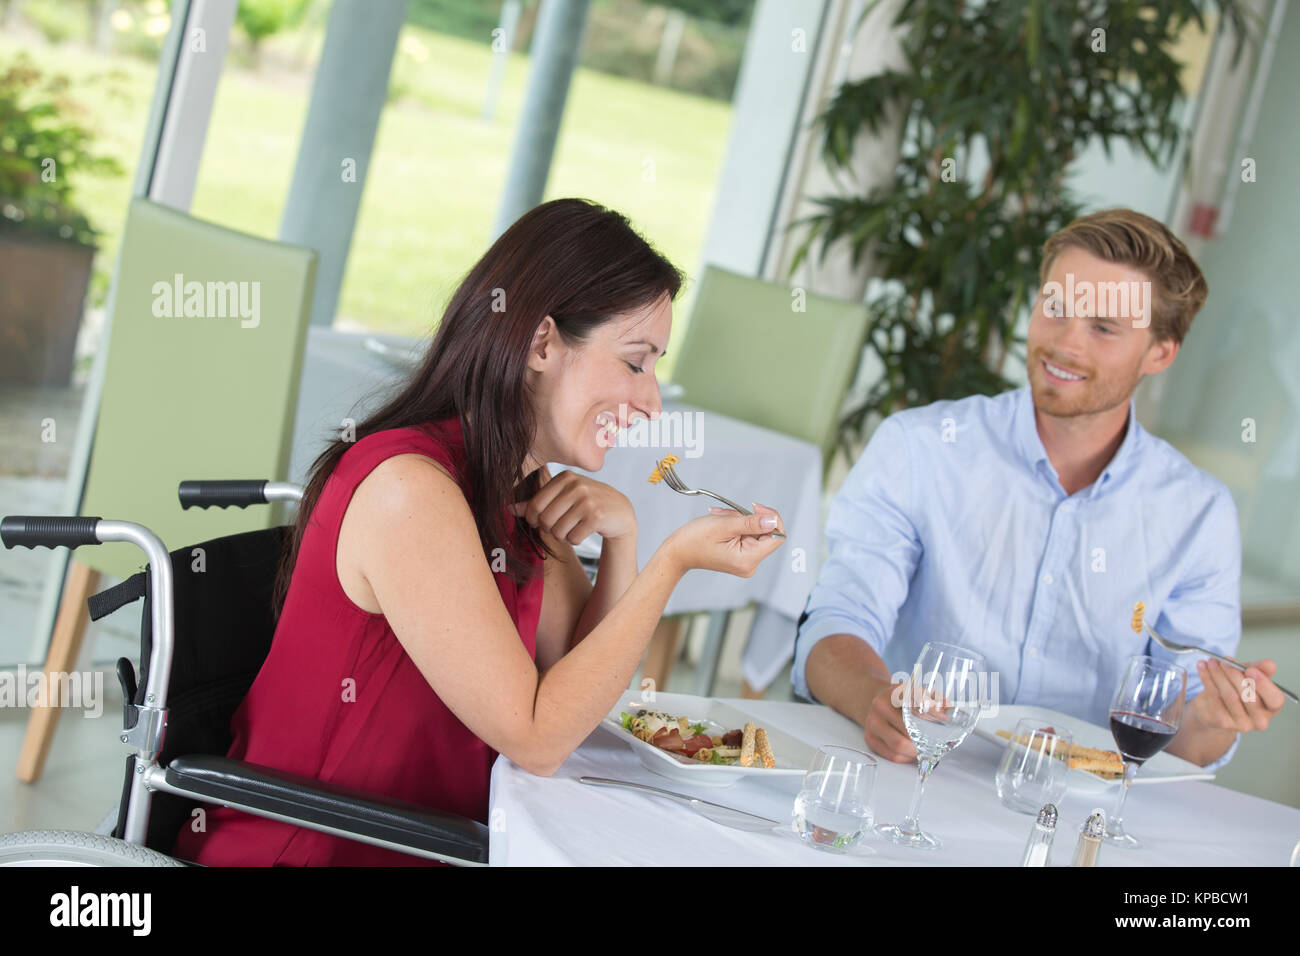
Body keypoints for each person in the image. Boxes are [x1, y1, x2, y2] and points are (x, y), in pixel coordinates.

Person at [172, 198, 785, 866]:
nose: (652, 401)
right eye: (636, 362)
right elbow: (539, 736)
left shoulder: (517, 491)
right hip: (320, 849)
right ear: (542, 343)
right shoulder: (412, 492)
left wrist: (626, 543)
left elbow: (575, 693)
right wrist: (671, 565)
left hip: (439, 844)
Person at [791, 208, 1286, 771]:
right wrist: (871, 699)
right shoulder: (921, 448)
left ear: (1160, 353)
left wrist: (1218, 719)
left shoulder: (1199, 515)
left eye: (1103, 328)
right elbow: (835, 623)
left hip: (1073, 817)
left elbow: (1184, 736)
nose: (1064, 344)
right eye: (1055, 309)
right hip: (912, 776)